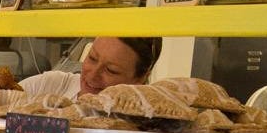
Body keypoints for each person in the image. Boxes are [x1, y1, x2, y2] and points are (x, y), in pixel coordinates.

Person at [21, 36, 164, 98]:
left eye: (111, 70)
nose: (93, 75)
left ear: (140, 79)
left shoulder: (142, 128)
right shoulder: (50, 86)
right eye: (92, 58)